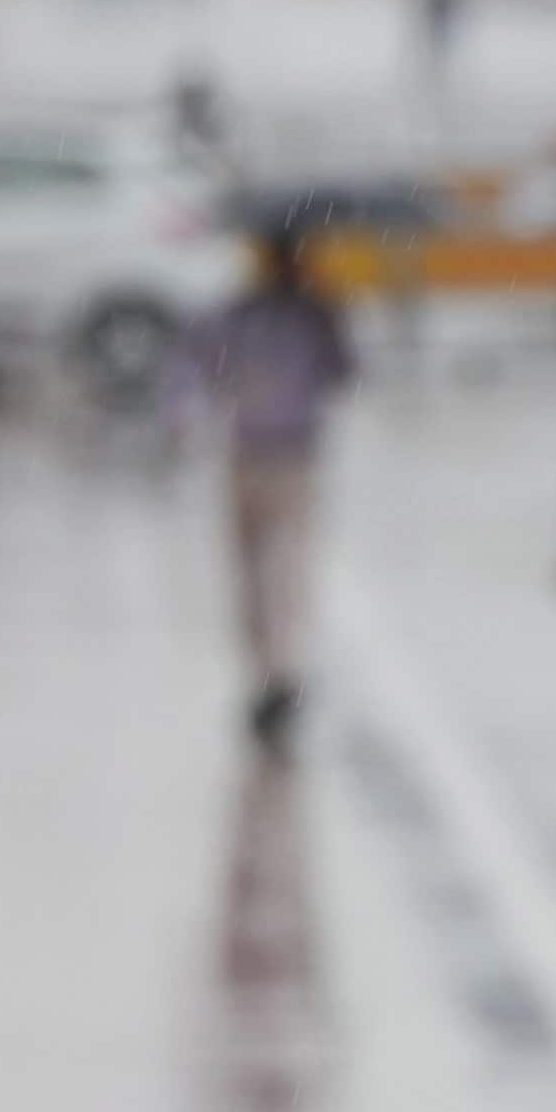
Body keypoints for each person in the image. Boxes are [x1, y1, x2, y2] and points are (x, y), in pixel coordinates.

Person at [189, 217, 355, 747]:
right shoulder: (239, 316)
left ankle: (282, 673)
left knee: (284, 568)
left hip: (293, 457)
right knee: (252, 570)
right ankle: (266, 668)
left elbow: (343, 372)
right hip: (248, 453)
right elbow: (203, 368)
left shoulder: (315, 315)